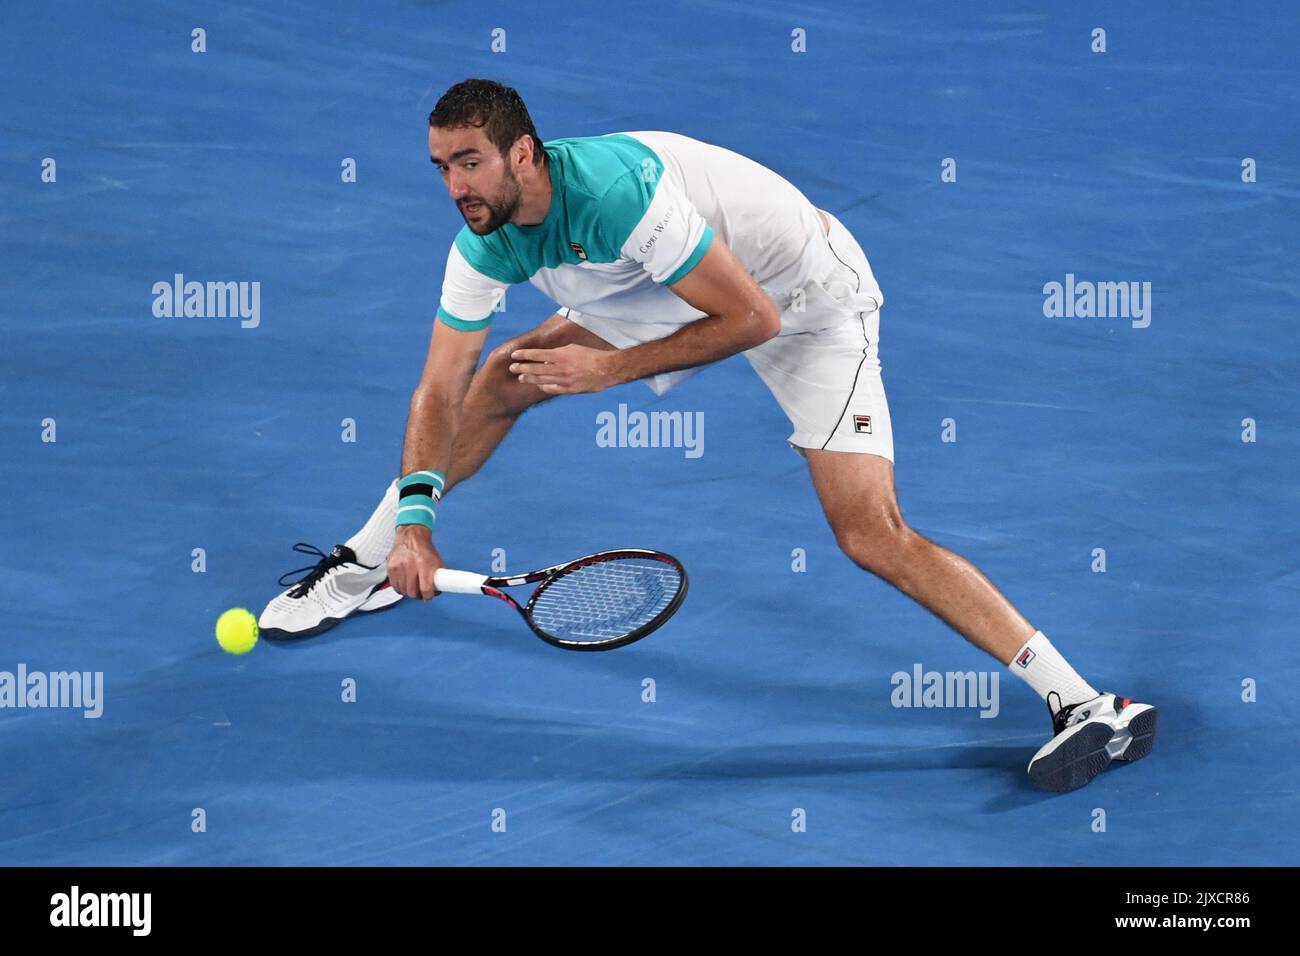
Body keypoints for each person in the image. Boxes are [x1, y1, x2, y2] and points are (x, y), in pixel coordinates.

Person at [259, 78, 1156, 793]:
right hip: (663, 293)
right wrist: (416, 524)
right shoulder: (485, 240)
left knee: (869, 534)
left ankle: (1087, 705)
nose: (455, 188)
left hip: (802, 300)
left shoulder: (618, 198)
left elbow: (754, 318)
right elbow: (436, 387)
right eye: (441, 167)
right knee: (494, 382)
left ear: (521, 153)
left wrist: (606, 370)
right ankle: (369, 559)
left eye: (468, 162)